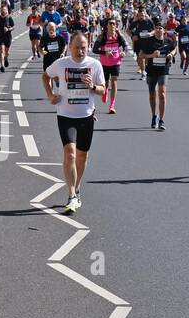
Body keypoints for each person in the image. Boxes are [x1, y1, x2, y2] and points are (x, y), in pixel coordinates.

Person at [43, 32, 107, 214]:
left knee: (82, 156)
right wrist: (50, 95)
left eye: (84, 47)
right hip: (65, 115)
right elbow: (45, 76)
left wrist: (92, 87)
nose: (80, 51)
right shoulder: (61, 64)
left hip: (86, 116)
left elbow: (102, 90)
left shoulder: (94, 65)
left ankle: (77, 188)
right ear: (70, 47)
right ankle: (71, 194)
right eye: (77, 47)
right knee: (70, 154)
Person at [138, 20, 173, 131]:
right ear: (154, 30)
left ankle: (161, 120)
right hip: (152, 70)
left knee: (162, 94)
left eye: (160, 28)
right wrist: (151, 55)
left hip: (163, 70)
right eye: (157, 28)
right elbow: (141, 55)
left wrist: (171, 54)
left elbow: (174, 49)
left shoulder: (168, 41)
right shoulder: (149, 42)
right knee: (152, 95)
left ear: (164, 30)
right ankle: (154, 116)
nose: (158, 30)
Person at [91, 18, 128, 114]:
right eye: (110, 23)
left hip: (116, 61)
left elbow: (125, 46)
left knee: (114, 81)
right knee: (106, 83)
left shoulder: (119, 36)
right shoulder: (102, 37)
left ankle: (112, 106)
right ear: (107, 26)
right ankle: (105, 91)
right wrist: (104, 52)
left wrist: (123, 52)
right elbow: (94, 50)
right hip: (104, 63)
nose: (112, 25)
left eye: (114, 24)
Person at [0, 5, 14, 72]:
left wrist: (8, 29)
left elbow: (13, 27)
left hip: (7, 36)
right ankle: (2, 66)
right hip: (0, 36)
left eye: (4, 9)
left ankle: (6, 58)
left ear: (7, 10)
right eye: (2, 9)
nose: (3, 11)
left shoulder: (9, 17)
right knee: (2, 50)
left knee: (7, 52)